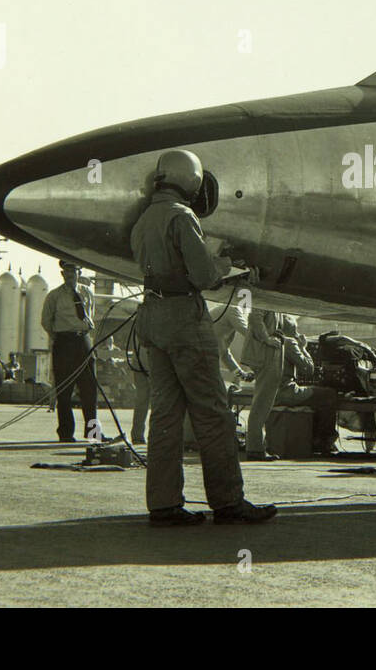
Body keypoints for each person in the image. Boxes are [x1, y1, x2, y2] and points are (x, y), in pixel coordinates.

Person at [130, 148, 275, 525]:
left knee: (164, 416)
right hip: (183, 321)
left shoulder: (145, 219)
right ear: (191, 180)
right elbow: (204, 277)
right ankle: (228, 502)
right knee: (212, 413)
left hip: (152, 319)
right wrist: (231, 266)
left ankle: (163, 506)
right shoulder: (182, 217)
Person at [243, 312, 337, 459]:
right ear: (292, 330)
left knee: (258, 411)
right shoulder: (289, 342)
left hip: (274, 391)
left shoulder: (279, 342)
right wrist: (303, 347)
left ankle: (257, 447)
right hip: (286, 392)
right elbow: (308, 368)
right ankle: (324, 441)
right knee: (328, 395)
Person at [41, 261, 101, 442]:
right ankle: (66, 433)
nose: (69, 275)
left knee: (90, 390)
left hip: (83, 341)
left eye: (72, 271)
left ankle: (93, 433)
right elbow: (46, 321)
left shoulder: (86, 292)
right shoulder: (54, 296)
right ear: (62, 273)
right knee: (64, 391)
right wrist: (60, 337)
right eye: (66, 271)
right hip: (64, 342)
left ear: (79, 272)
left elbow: (91, 315)